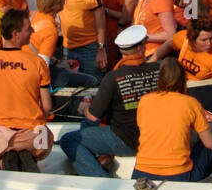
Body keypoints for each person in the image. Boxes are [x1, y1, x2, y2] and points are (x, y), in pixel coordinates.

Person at [60, 24, 160, 178]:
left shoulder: (113, 78)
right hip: (156, 136)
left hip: (127, 140)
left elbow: (93, 116)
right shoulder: (159, 70)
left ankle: (101, 178)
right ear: (140, 49)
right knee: (88, 125)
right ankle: (102, 155)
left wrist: (84, 108)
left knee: (69, 139)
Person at [0, 9, 53, 170]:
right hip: (34, 137)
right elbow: (47, 107)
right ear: (16, 34)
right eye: (28, 28)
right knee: (47, 138)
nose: (32, 31)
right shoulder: (38, 63)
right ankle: (30, 155)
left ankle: (1, 158)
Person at [132, 58, 212, 182]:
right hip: (178, 175)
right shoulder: (190, 103)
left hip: (141, 172)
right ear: (183, 79)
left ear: (160, 78)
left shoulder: (144, 101)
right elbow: (210, 144)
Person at [157, 19, 212, 93]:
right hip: (182, 82)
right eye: (204, 40)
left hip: (204, 88)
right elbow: (169, 44)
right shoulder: (184, 38)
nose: (209, 43)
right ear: (192, 39)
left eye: (211, 38)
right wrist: (152, 60)